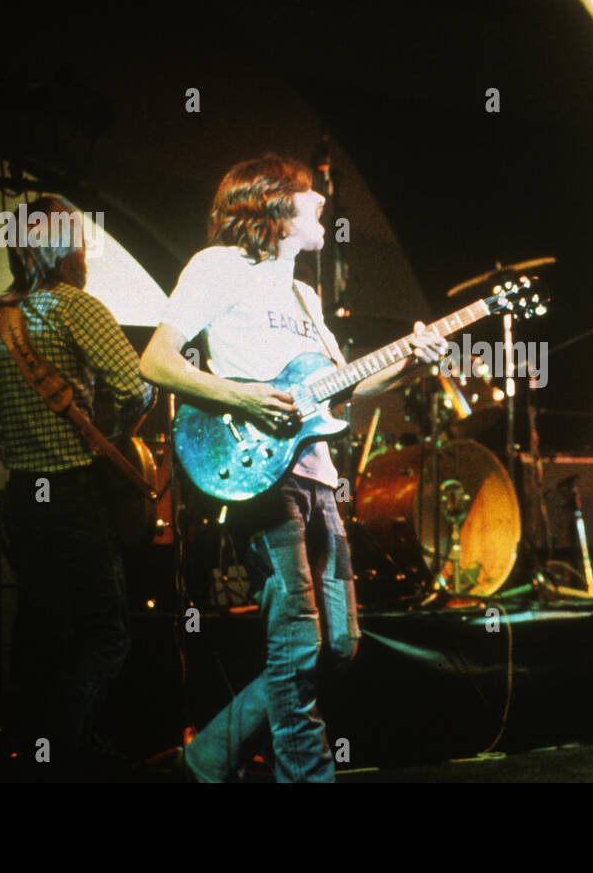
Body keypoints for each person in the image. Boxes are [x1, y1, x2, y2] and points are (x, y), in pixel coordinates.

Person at [140, 152, 447, 783]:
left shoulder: (306, 295)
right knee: (298, 645)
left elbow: (344, 389)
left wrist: (413, 359)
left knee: (338, 645)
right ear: (275, 204)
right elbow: (157, 362)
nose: (322, 207)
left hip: (317, 477)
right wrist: (243, 395)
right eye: (311, 197)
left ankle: (205, 758)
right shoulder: (218, 267)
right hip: (259, 476)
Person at [0, 195, 154, 779]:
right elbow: (137, 388)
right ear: (67, 245)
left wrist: (16, 435)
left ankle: (40, 753)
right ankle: (63, 757)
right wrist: (108, 437)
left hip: (23, 501)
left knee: (47, 634)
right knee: (107, 637)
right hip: (75, 494)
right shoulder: (76, 307)